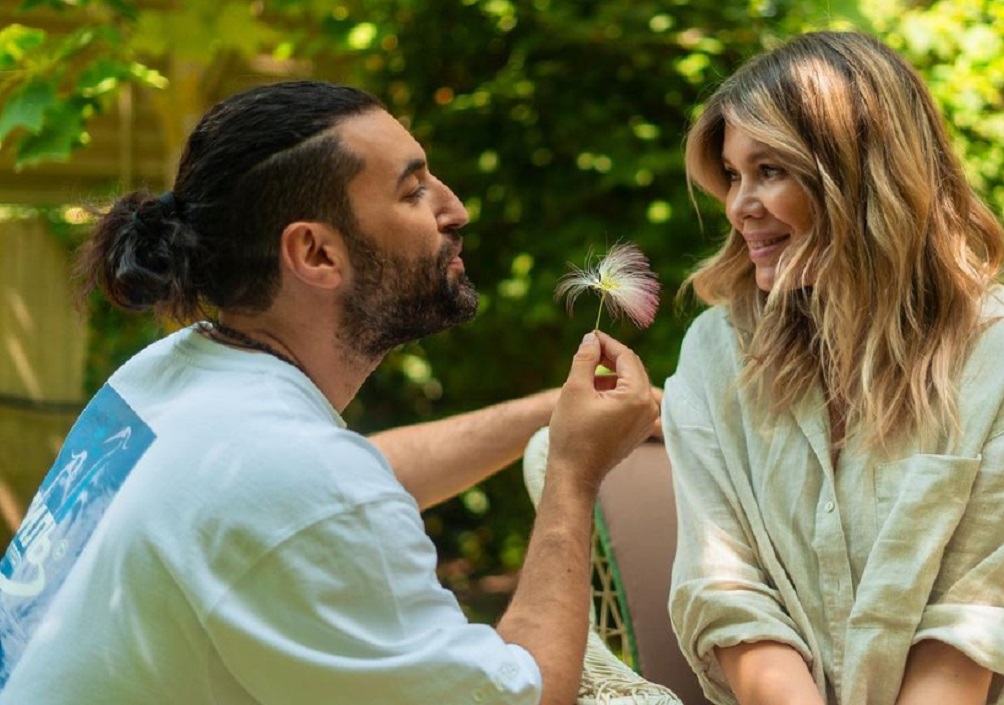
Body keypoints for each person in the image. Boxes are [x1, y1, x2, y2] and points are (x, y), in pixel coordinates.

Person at [0, 80, 658, 704]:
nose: (455, 209)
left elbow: (352, 483)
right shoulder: (288, 472)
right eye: (414, 191)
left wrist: (550, 413)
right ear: (316, 253)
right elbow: (527, 696)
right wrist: (573, 472)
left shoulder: (180, 373)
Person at [662, 31, 1004, 705]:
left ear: (859, 175)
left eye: (770, 170)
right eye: (732, 175)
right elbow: (730, 598)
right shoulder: (718, 352)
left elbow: (966, 644)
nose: (738, 206)